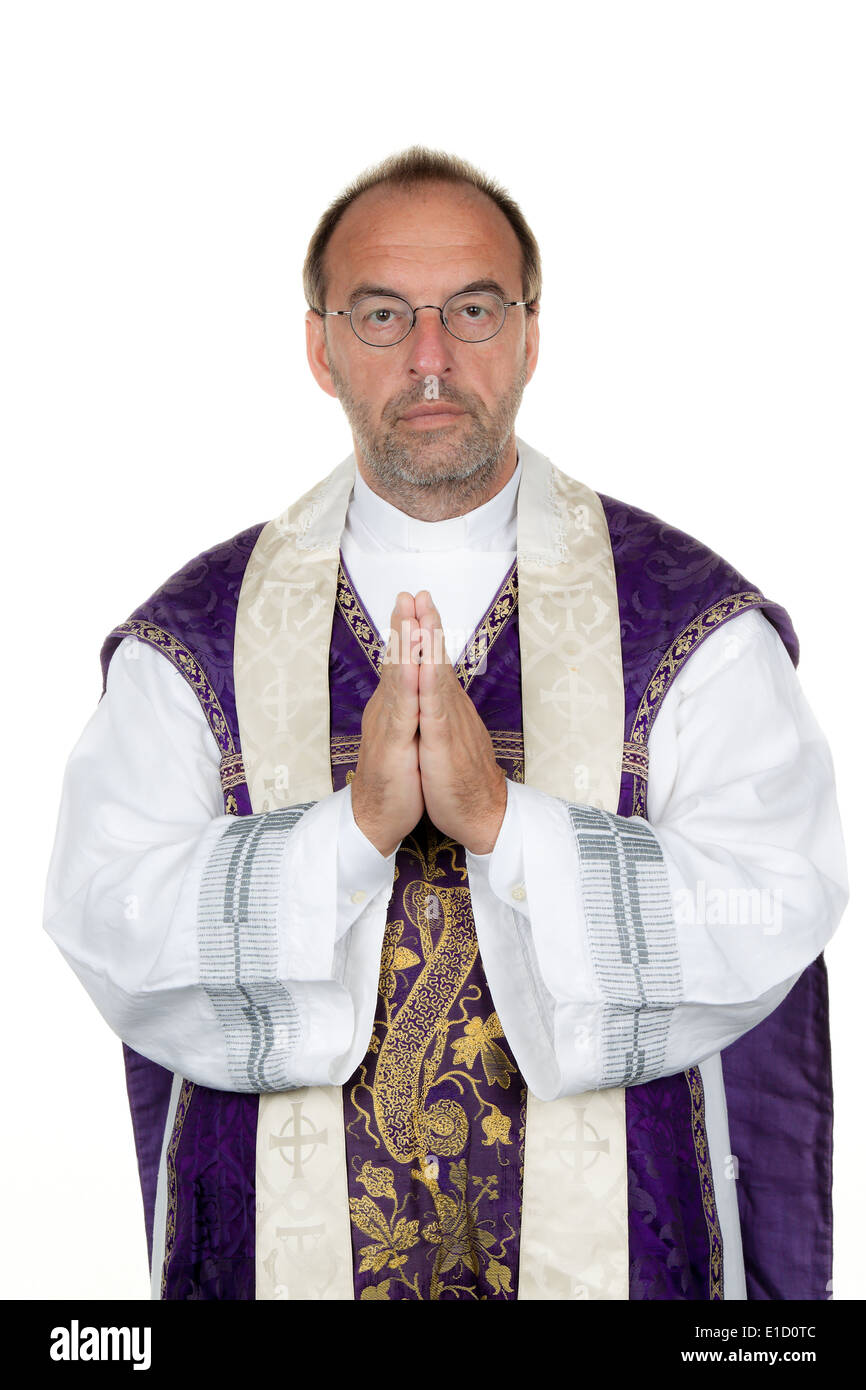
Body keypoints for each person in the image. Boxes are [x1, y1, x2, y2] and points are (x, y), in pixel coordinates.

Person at [44, 145, 848, 1302]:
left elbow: (773, 900)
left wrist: (508, 827)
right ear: (319, 346)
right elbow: (106, 915)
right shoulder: (194, 644)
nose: (430, 358)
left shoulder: (689, 626)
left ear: (530, 333)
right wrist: (347, 833)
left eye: (471, 308)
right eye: (381, 314)